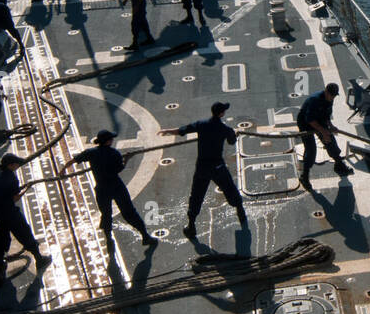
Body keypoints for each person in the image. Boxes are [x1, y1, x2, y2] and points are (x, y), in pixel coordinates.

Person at [161, 102, 247, 239]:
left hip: (202, 167)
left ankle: (191, 225)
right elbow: (231, 141)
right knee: (230, 189)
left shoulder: (202, 124)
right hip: (218, 166)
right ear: (221, 114)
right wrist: (234, 134)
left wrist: (169, 131)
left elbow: (184, 129)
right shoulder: (224, 128)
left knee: (196, 195)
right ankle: (240, 213)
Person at [64, 130, 157, 246]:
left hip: (101, 189)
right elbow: (119, 168)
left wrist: (62, 169)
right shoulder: (114, 153)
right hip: (116, 187)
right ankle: (145, 235)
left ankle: (108, 238)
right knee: (129, 212)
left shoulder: (91, 152)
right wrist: (127, 159)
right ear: (108, 141)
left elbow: (75, 160)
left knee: (106, 214)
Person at [0, 153, 52, 267]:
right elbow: (15, 198)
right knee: (25, 233)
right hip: (10, 213)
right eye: (16, 164)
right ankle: (39, 259)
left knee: (3, 239)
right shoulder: (11, 178)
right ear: (11, 165)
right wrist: (27, 188)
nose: (17, 166)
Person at [296, 83, 351, 188]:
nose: (333, 97)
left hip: (319, 119)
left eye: (334, 95)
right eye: (332, 95)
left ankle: (339, 164)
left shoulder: (330, 98)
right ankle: (304, 176)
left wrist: (331, 126)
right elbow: (310, 119)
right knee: (310, 149)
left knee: (330, 141)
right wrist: (323, 131)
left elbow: (326, 115)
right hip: (306, 123)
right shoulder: (314, 100)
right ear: (326, 91)